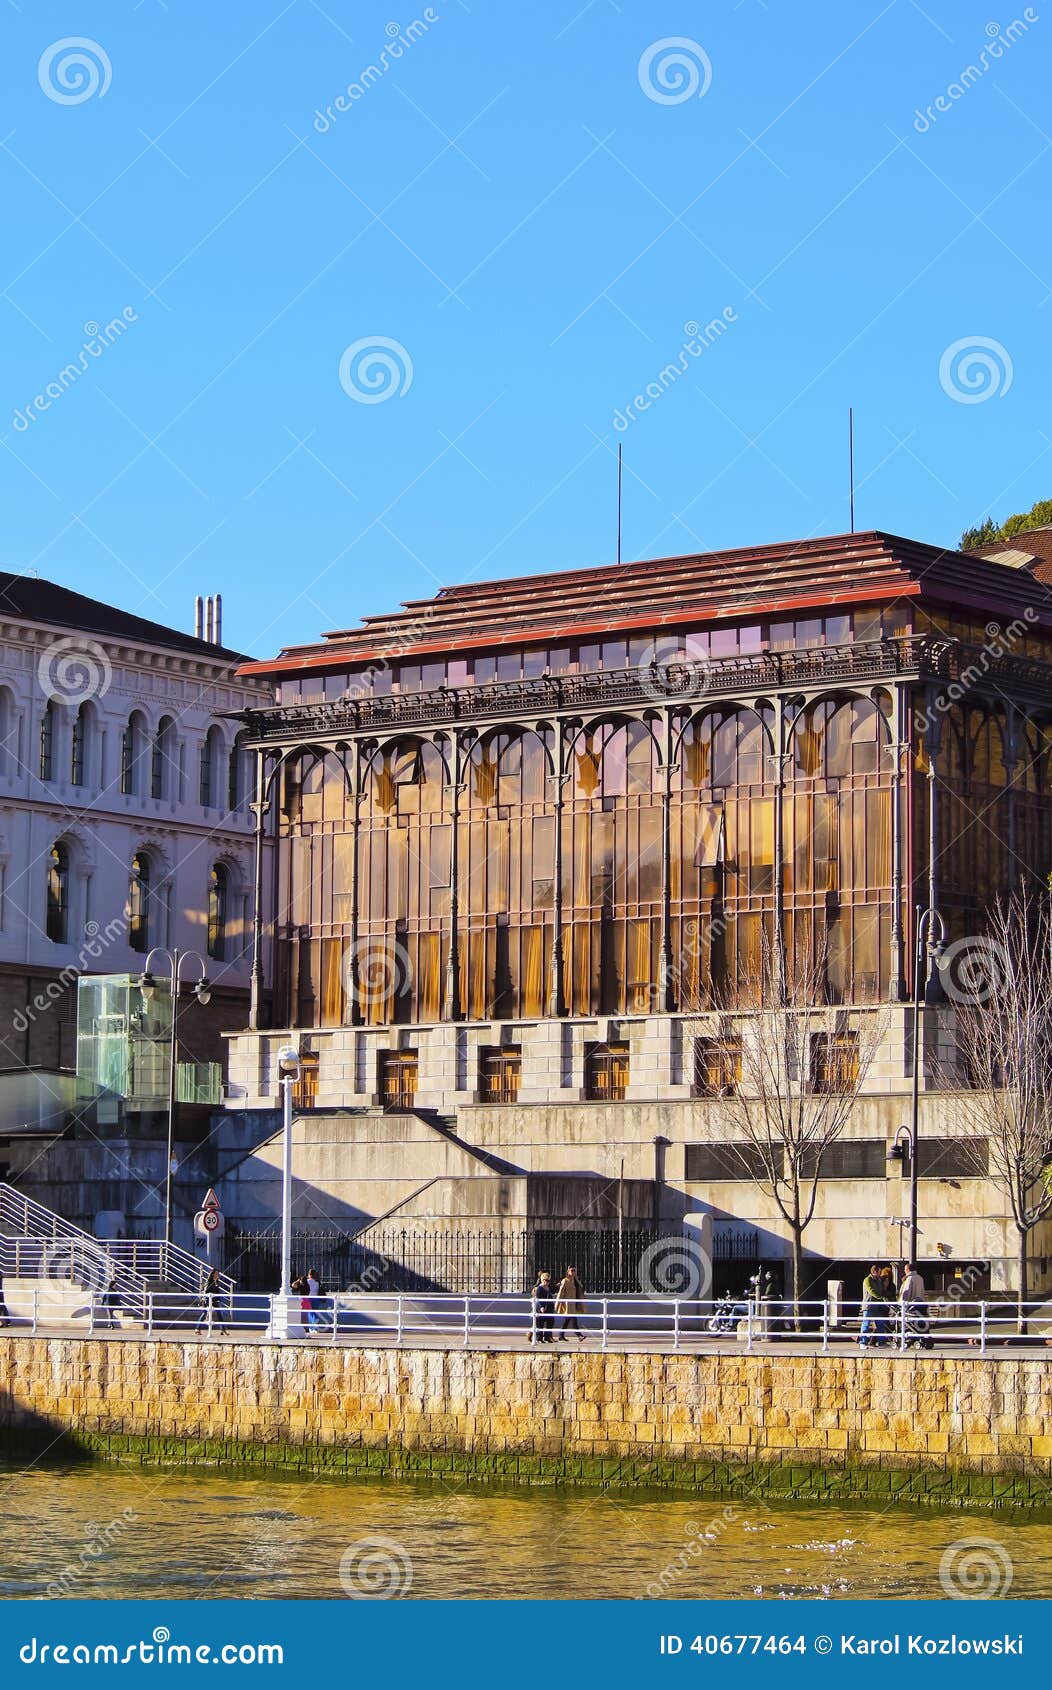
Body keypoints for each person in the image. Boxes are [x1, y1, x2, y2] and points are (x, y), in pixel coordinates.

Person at [899, 1261, 932, 1349]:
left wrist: (901, 1305)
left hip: (911, 1305)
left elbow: (906, 1294)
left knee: (910, 1323)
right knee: (921, 1323)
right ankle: (924, 1338)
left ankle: (910, 1338)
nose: (904, 1271)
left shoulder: (909, 1279)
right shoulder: (920, 1278)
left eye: (905, 1269)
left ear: (908, 1270)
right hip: (921, 1304)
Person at [859, 1263, 887, 1348]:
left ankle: (882, 1342)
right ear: (875, 1272)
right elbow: (871, 1291)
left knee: (880, 1324)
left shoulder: (879, 1280)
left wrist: (887, 1296)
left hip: (877, 1306)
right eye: (879, 1272)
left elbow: (882, 1290)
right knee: (866, 1324)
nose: (880, 1274)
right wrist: (880, 1297)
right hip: (869, 1305)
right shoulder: (867, 1280)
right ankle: (863, 1342)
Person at [555, 1266, 586, 1342]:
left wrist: (577, 1279)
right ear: (568, 1271)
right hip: (568, 1303)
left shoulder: (575, 1280)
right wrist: (557, 1303)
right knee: (573, 1319)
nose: (573, 1272)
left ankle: (561, 1335)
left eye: (575, 1271)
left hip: (574, 1302)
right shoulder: (565, 1281)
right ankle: (579, 1335)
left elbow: (581, 1287)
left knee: (567, 1320)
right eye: (572, 1270)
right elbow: (561, 1292)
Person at [196, 1268, 226, 1336]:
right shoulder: (209, 1281)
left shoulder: (217, 1281)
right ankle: (197, 1328)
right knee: (204, 1314)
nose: (218, 1275)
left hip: (215, 1300)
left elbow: (217, 1291)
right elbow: (205, 1291)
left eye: (218, 1274)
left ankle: (223, 1329)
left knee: (220, 1314)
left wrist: (218, 1298)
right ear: (213, 1274)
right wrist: (206, 1298)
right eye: (216, 1273)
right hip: (208, 1300)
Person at [531, 1272, 555, 1343]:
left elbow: (552, 1293)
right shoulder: (540, 1288)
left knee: (550, 1321)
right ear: (542, 1280)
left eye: (549, 1280)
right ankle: (539, 1338)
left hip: (549, 1308)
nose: (548, 1282)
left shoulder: (548, 1288)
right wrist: (541, 1306)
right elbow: (538, 1298)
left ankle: (547, 1336)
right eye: (547, 1280)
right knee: (540, 1323)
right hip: (542, 1309)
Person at [306, 1266, 322, 1333]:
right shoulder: (317, 1282)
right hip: (316, 1298)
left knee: (310, 1313)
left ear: (309, 1275)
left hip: (309, 1298)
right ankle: (315, 1327)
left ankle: (312, 1328)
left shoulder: (308, 1281)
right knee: (315, 1313)